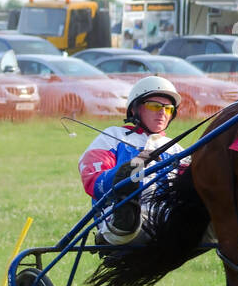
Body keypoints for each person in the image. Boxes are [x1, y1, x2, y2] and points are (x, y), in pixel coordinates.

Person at [77, 75, 187, 245]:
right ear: (135, 109)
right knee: (128, 194)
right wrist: (134, 167)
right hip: (119, 221)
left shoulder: (177, 150)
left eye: (169, 109)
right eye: (154, 106)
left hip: (167, 223)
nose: (162, 112)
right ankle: (126, 215)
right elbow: (94, 181)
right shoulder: (112, 137)